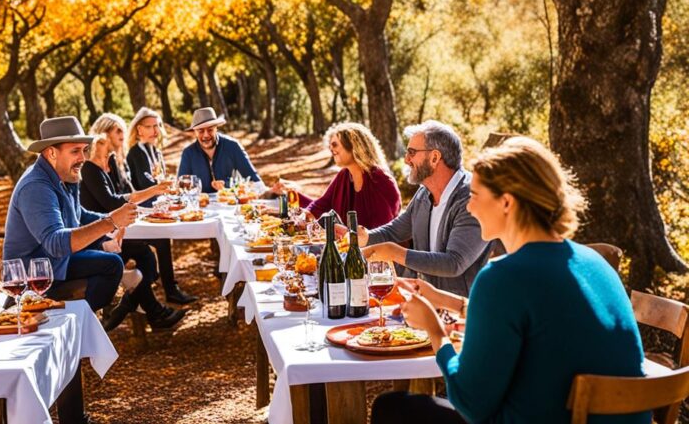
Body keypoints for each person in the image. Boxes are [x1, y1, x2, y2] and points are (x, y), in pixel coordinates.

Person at [372, 137, 648, 424]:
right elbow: (538, 324)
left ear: (506, 202)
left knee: (391, 408)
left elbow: (470, 403)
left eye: (475, 196)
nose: (470, 208)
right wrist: (445, 301)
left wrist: (434, 330)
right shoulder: (596, 264)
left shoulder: (502, 277)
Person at [2, 116, 137, 313]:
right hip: (32, 275)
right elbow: (56, 244)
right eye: (75, 151)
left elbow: (78, 215)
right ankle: (76, 319)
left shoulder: (66, 175)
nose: (82, 158)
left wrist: (113, 223)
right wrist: (110, 222)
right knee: (111, 264)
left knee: (117, 256)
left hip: (56, 263)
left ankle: (85, 317)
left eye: (84, 150)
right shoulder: (36, 187)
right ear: (51, 153)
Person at [354, 120, 496, 296]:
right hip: (426, 303)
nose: (406, 160)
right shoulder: (424, 194)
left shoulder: (472, 199)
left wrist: (395, 253)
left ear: (435, 158)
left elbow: (454, 263)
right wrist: (362, 237)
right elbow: (394, 231)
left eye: (412, 153)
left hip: (461, 311)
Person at [80, 132, 188, 331]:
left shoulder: (106, 166)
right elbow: (111, 202)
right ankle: (147, 309)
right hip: (96, 236)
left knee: (147, 254)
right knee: (144, 254)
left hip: (108, 229)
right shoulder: (89, 169)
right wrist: (154, 190)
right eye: (103, 156)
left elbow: (120, 196)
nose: (106, 161)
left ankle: (136, 303)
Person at [124, 107, 198, 305]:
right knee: (163, 240)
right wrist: (164, 188)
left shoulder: (155, 150)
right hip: (141, 210)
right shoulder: (135, 153)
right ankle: (168, 288)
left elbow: (160, 180)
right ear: (139, 130)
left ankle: (165, 284)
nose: (154, 130)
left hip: (156, 207)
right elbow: (144, 184)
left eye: (157, 126)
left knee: (165, 239)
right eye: (149, 127)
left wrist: (168, 187)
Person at [272, 121, 400, 228]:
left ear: (354, 146)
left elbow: (383, 230)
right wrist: (293, 198)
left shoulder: (381, 181)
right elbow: (322, 205)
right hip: (348, 248)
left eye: (335, 144)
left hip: (376, 253)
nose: (331, 149)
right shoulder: (344, 175)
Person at [177, 107, 260, 193]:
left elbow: (255, 181)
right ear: (195, 132)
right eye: (201, 131)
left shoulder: (232, 146)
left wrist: (227, 185)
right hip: (199, 204)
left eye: (210, 129)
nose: (206, 135)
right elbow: (181, 187)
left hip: (231, 204)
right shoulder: (188, 153)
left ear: (216, 128)